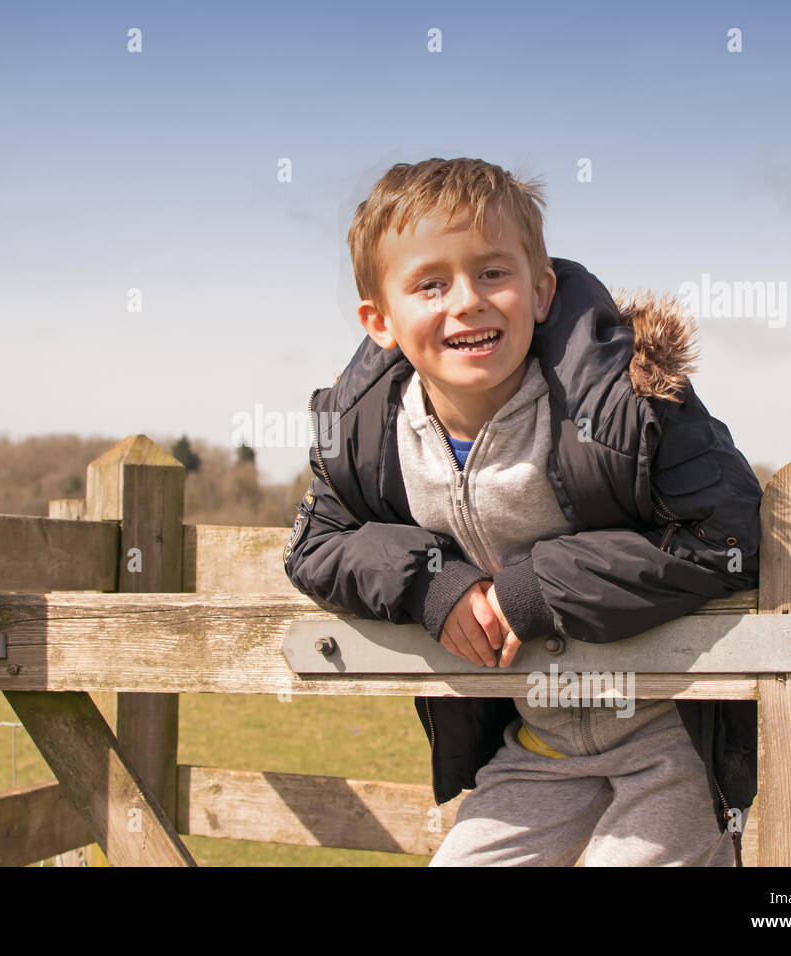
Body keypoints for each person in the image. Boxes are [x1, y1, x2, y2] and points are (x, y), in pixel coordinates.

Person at [282, 157, 762, 866]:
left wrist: (536, 587)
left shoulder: (625, 407)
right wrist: (431, 583)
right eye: (430, 284)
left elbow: (731, 533)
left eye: (492, 273)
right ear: (379, 320)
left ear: (541, 292)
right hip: (536, 743)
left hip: (672, 735)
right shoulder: (366, 434)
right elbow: (316, 542)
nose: (466, 300)